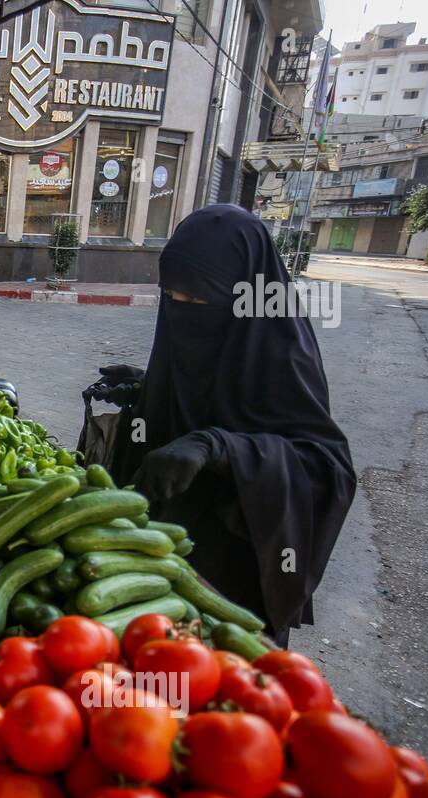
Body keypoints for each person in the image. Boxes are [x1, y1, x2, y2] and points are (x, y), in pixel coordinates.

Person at [92, 204, 356, 647]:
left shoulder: (281, 355)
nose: (181, 311)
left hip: (234, 577)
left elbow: (325, 469)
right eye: (171, 298)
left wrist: (216, 448)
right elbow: (207, 396)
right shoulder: (187, 335)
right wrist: (145, 390)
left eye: (197, 300)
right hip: (157, 561)